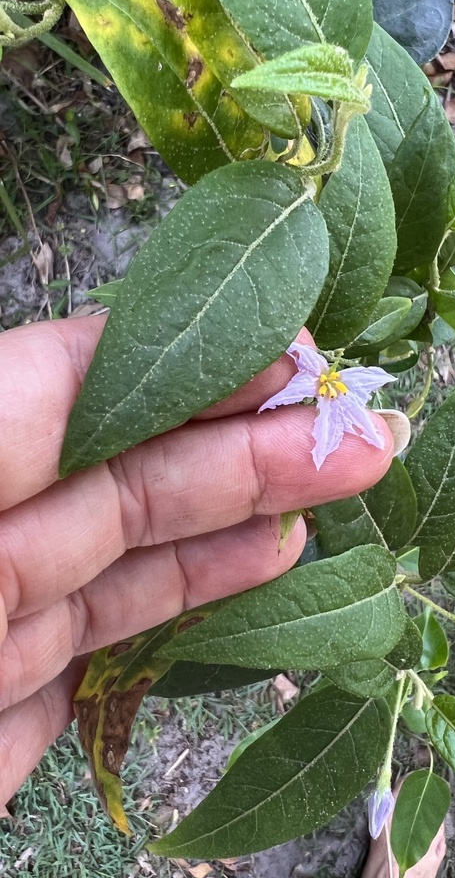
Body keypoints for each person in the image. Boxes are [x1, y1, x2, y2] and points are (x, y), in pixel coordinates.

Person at [0, 316, 394, 812]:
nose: (328, 386)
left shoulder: (327, 389)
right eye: (326, 382)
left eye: (331, 385)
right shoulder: (314, 381)